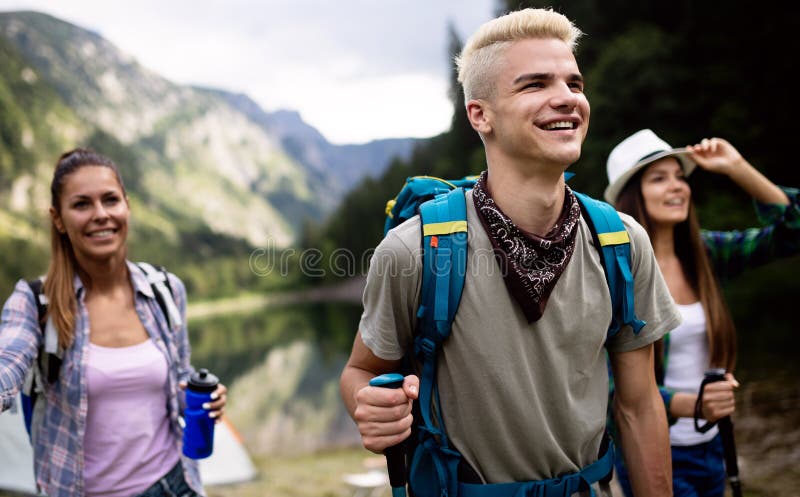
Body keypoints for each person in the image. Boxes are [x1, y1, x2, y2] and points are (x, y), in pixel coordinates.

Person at [340, 9, 681, 497]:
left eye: (574, 83)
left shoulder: (621, 241)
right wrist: (368, 405)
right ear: (480, 115)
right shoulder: (413, 250)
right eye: (535, 84)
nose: (566, 98)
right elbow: (362, 371)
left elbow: (639, 405)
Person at [0, 148, 227, 497]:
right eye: (81, 204)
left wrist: (202, 398)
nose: (101, 214)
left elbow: (179, 379)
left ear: (127, 206)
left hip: (175, 484)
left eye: (110, 200)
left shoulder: (165, 290)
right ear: (57, 218)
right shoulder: (34, 301)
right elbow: (7, 361)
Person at [604, 129, 800, 496]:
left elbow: (794, 229)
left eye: (680, 177)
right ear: (633, 197)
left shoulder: (705, 254)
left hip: (713, 445)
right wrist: (690, 404)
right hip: (652, 451)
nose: (677, 187)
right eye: (659, 179)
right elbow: (608, 387)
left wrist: (737, 167)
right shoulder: (617, 274)